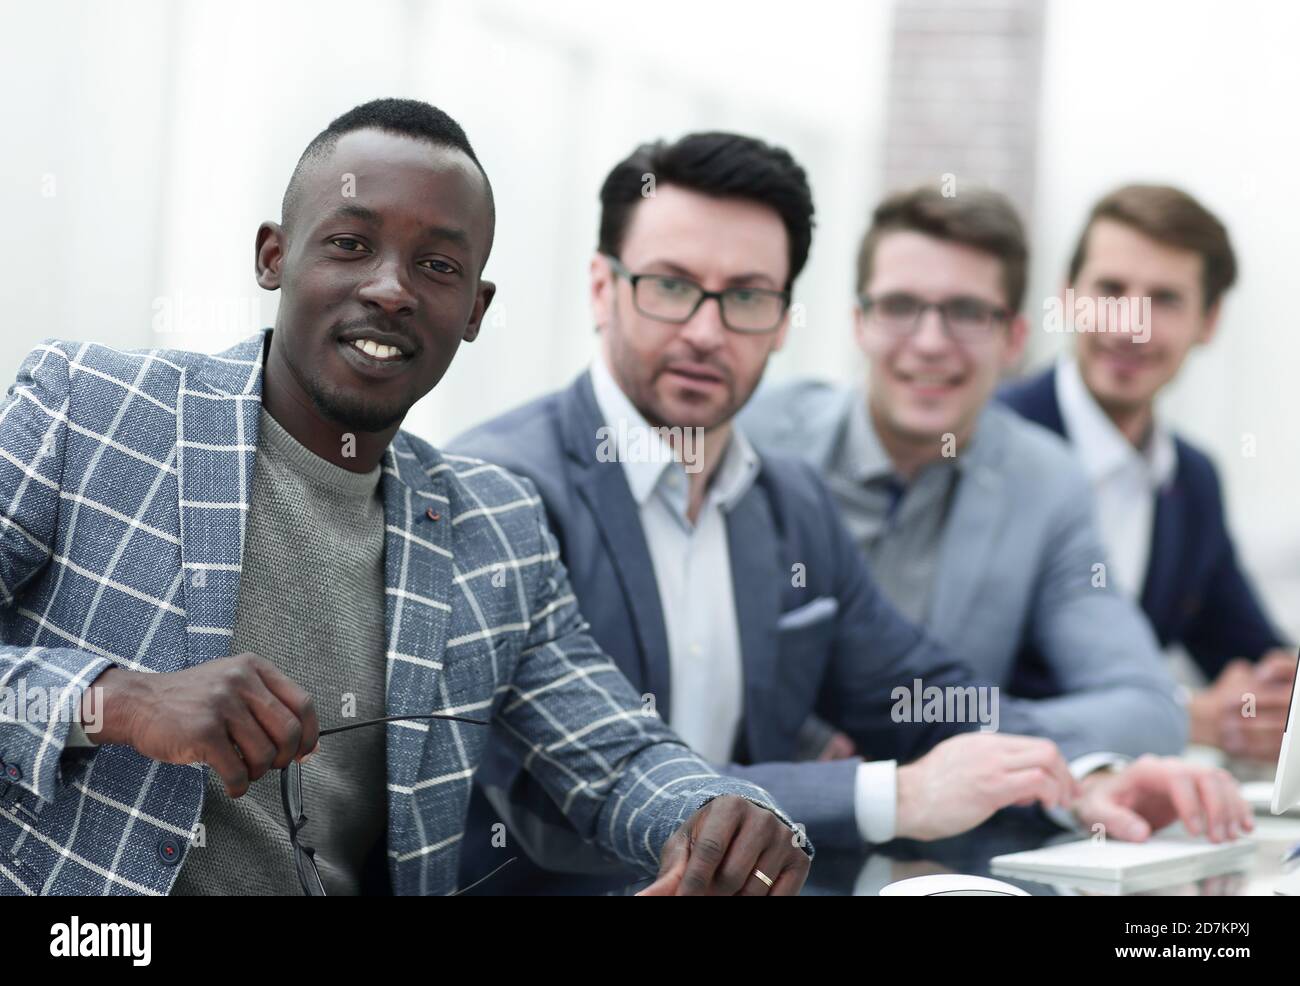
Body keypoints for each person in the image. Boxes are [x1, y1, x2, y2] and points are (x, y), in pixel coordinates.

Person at [0, 99, 812, 897]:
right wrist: (115, 700)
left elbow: (617, 754)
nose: (391, 289)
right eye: (351, 244)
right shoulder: (92, 408)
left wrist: (718, 814)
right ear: (274, 257)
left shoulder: (496, 528)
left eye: (438, 266)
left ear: (474, 311)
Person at [452, 138, 1245, 894]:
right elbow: (560, 800)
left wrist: (1084, 776)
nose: (706, 329)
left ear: (785, 315)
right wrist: (891, 796)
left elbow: (931, 698)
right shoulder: (504, 483)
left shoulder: (789, 501)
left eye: (748, 297)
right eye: (669, 285)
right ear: (601, 287)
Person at [999, 184, 1295, 762]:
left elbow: (1248, 645)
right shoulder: (990, 443)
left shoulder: (1192, 479)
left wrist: (1278, 691)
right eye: (1111, 290)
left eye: (1164, 300)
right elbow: (957, 690)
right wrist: (1178, 715)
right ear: (1067, 297)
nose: (1131, 326)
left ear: (1208, 321)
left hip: (1123, 830)